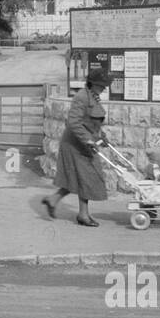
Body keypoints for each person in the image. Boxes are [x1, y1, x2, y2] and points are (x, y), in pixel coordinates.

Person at [41, 70, 111, 226]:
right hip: (75, 144)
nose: (104, 88)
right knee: (85, 177)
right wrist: (88, 140)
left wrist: (100, 137)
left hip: (85, 143)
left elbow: (91, 122)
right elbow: (73, 122)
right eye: (101, 85)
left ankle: (54, 201)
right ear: (93, 83)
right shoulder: (81, 97)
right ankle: (83, 215)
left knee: (79, 178)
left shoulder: (92, 96)